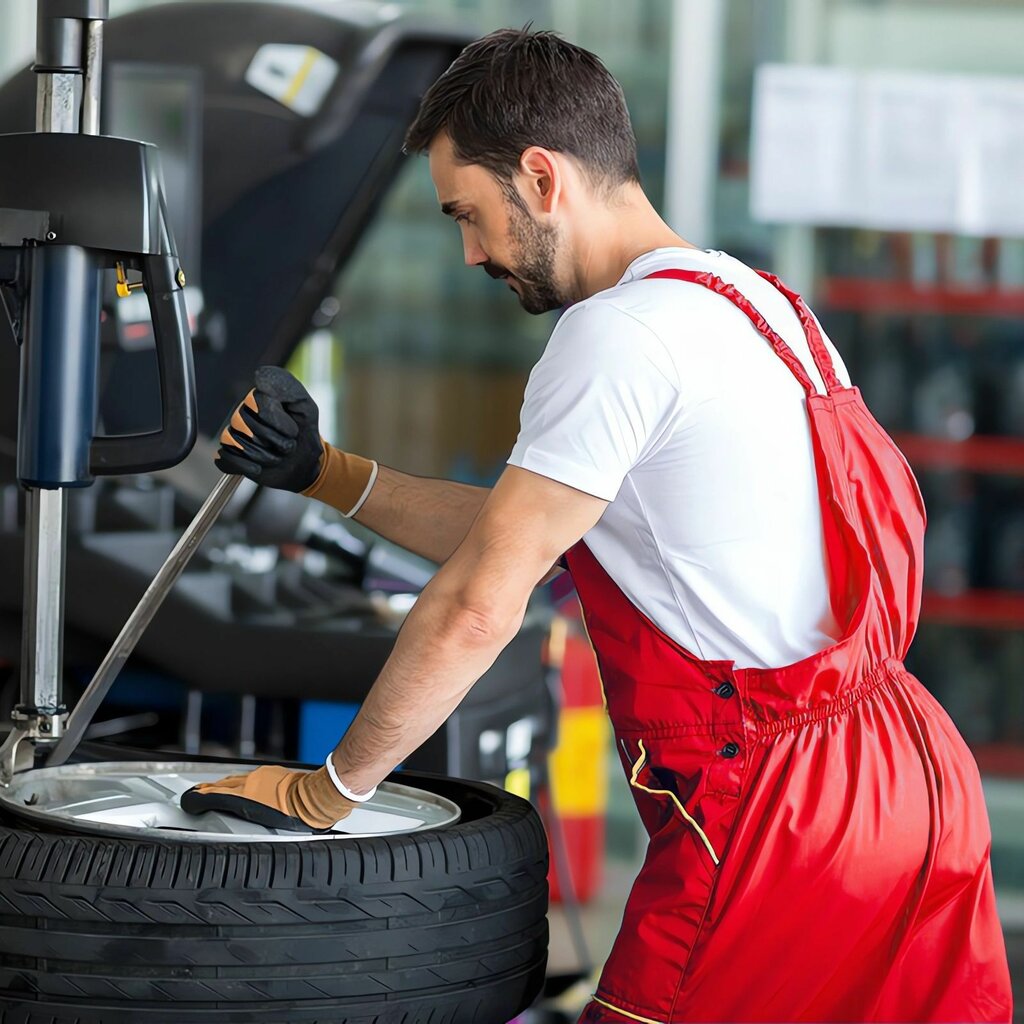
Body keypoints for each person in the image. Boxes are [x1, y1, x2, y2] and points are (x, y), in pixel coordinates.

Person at [183, 28, 1013, 1023]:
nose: (471, 251)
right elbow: (521, 535)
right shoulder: (755, 301)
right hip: (908, 774)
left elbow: (478, 605)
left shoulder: (613, 335)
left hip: (773, 815)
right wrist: (326, 473)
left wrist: (329, 792)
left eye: (470, 214)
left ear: (540, 177)